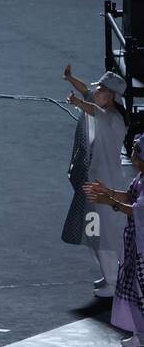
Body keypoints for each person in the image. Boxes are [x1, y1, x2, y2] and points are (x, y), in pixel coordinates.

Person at [65, 67, 132, 297]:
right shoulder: (109, 111)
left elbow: (90, 106)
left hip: (105, 183)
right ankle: (109, 275)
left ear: (112, 95)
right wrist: (71, 79)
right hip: (98, 180)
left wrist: (76, 101)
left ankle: (113, 282)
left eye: (102, 89)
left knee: (103, 235)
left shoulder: (111, 118)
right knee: (95, 233)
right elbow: (88, 93)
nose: (97, 91)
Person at [85, 134, 144, 347]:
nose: (133, 154)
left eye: (138, 151)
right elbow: (130, 197)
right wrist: (109, 192)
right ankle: (140, 332)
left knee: (140, 289)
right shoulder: (140, 178)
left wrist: (110, 202)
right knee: (134, 288)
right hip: (135, 242)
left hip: (142, 246)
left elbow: (138, 210)